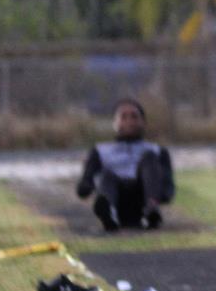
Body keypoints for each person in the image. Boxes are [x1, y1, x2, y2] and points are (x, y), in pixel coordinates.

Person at [74, 98, 175, 232]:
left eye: (134, 117)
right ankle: (109, 214)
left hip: (143, 198)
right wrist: (87, 186)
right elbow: (84, 185)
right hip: (114, 197)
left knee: (149, 157)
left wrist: (163, 194)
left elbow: (168, 187)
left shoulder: (158, 151)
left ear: (143, 122)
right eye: (123, 117)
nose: (129, 122)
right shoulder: (99, 150)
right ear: (115, 123)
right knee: (106, 173)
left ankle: (151, 211)